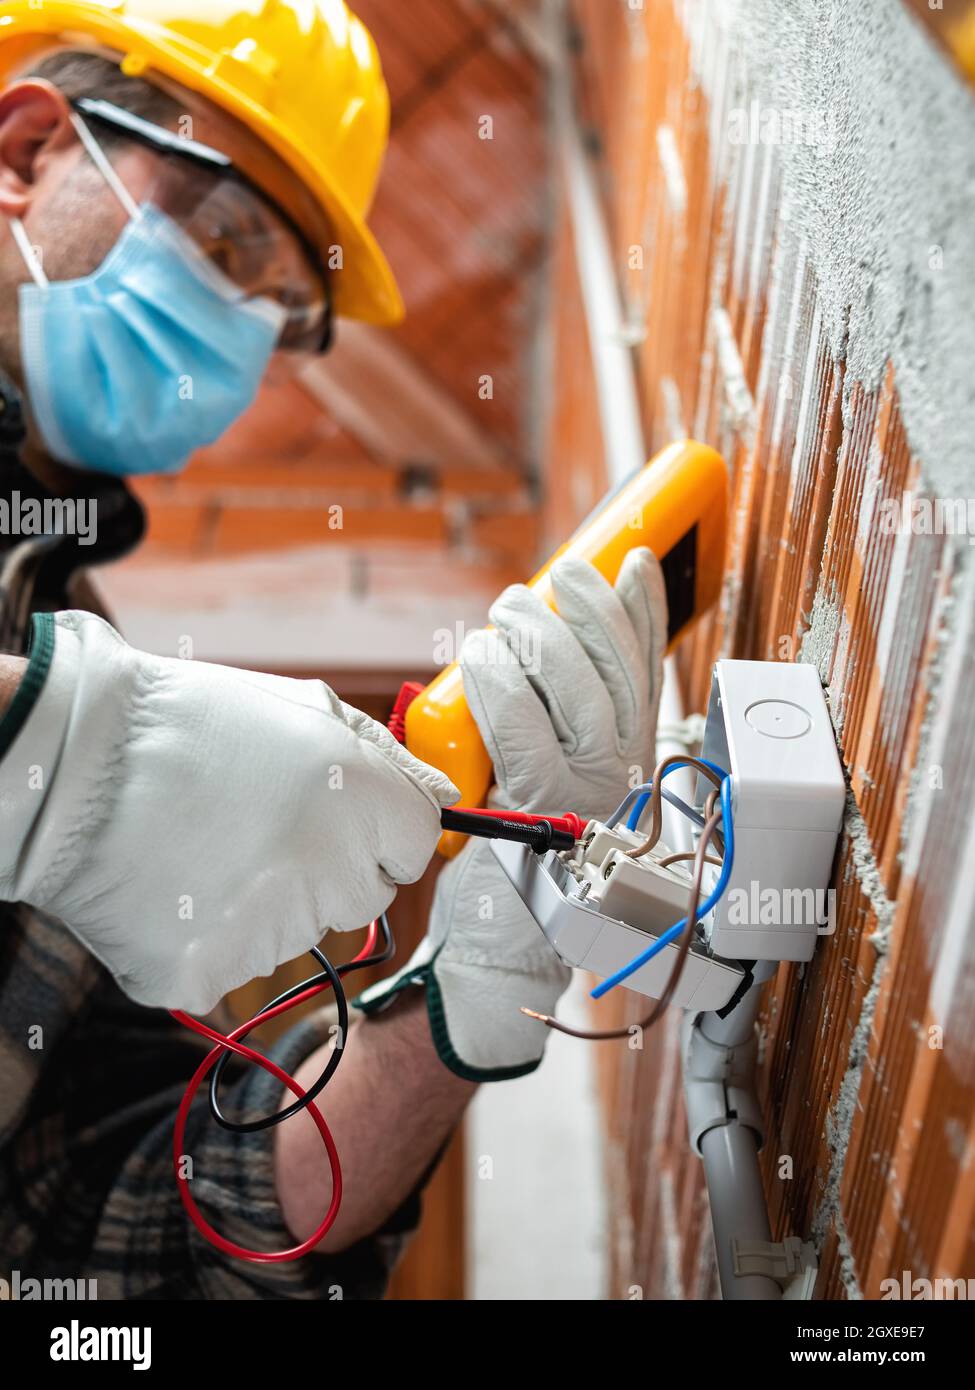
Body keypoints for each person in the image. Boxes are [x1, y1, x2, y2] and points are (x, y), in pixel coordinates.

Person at [0, 1, 667, 1298]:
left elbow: (121, 1222)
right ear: (27, 148)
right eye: (228, 233)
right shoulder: (87, 685)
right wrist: (76, 751)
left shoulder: (62, 618)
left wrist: (463, 1000)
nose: (243, 328)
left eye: (286, 304)